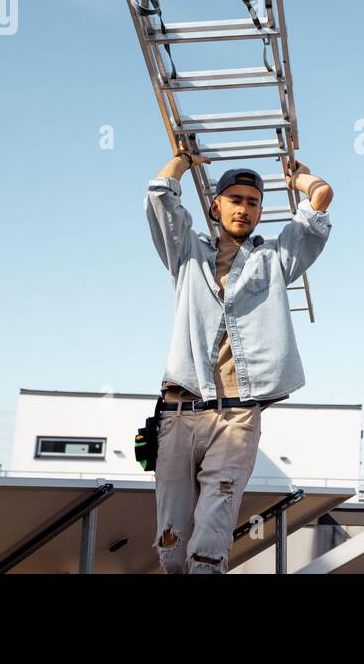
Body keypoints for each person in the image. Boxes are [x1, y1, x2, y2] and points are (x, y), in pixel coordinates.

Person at [144, 149, 334, 574]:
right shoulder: (187, 255)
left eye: (253, 202)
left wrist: (302, 181)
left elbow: (321, 201)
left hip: (237, 416)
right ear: (215, 206)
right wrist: (183, 160)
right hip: (179, 411)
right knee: (172, 545)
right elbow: (160, 198)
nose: (244, 209)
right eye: (235, 200)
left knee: (210, 541)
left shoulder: (274, 258)